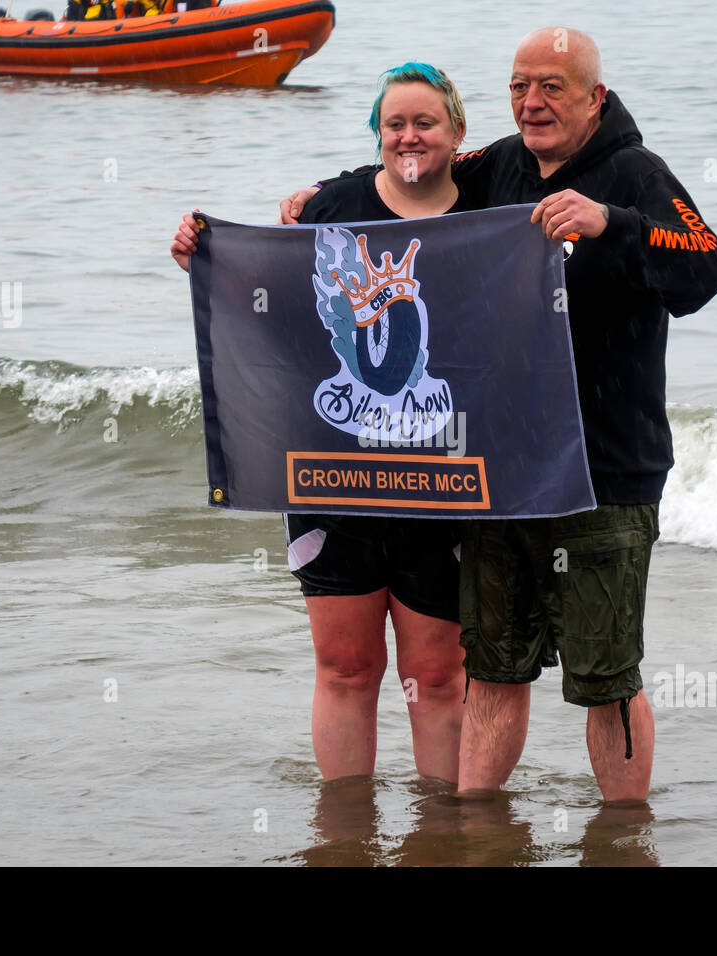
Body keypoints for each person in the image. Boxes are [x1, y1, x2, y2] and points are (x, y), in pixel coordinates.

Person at [280, 29, 717, 804]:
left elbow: (704, 263)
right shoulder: (502, 165)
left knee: (605, 679)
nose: (532, 101)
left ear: (595, 95)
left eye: (553, 86)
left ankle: (623, 839)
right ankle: (470, 832)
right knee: (491, 668)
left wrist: (611, 223)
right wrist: (319, 195)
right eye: (521, 85)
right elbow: (418, 165)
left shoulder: (636, 173)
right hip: (499, 473)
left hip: (604, 473)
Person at [171, 63, 479, 783]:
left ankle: (446, 838)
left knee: (436, 674)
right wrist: (205, 257)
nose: (409, 137)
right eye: (394, 124)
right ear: (376, 136)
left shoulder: (489, 213)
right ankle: (343, 836)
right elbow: (273, 301)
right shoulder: (330, 207)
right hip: (335, 476)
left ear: (457, 133)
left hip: (449, 484)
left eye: (425, 122)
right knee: (346, 666)